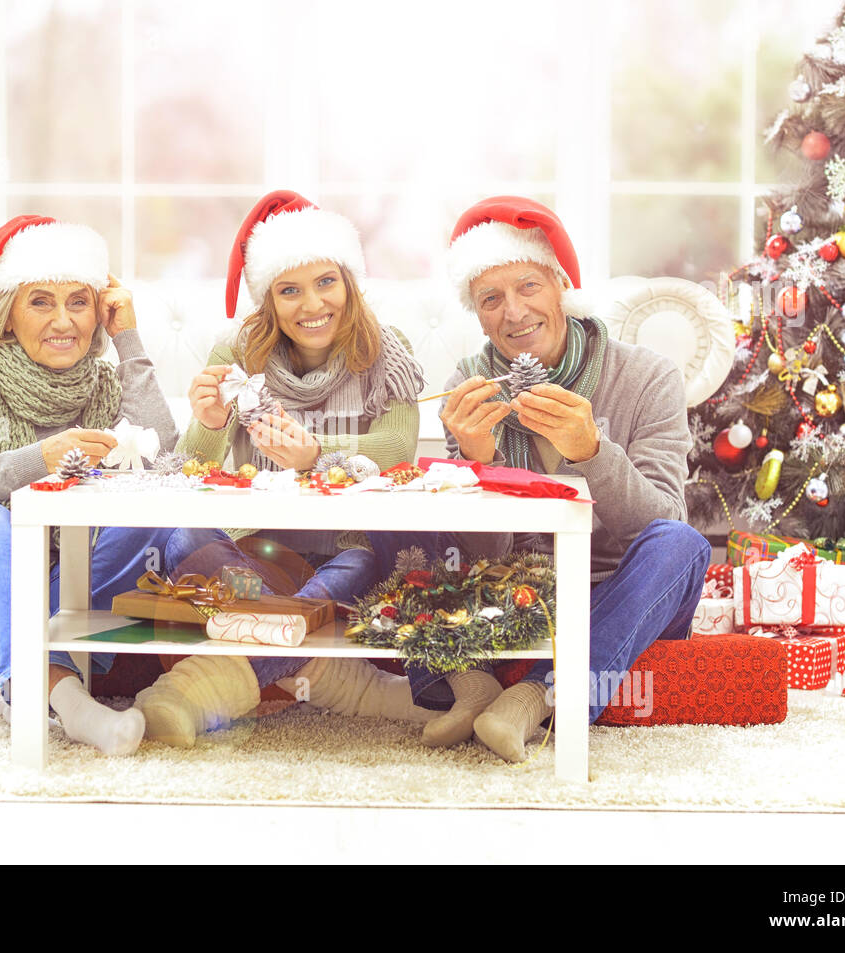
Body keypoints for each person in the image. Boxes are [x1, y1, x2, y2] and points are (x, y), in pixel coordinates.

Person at [411, 196, 708, 760]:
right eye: (490, 299)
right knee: (404, 517)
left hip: (619, 587)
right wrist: (480, 467)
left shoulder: (648, 378)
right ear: (477, 314)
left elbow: (659, 524)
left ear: (560, 286)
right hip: (519, 590)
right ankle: (467, 688)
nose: (513, 313)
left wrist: (592, 452)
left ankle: (534, 695)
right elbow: (485, 555)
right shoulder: (468, 386)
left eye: (528, 287)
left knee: (682, 545)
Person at [134, 190, 434, 747]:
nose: (311, 303)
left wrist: (315, 456)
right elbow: (196, 468)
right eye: (289, 290)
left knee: (365, 561)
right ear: (268, 299)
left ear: (348, 281)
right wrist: (207, 418)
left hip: (348, 547)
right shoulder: (237, 352)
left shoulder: (387, 351)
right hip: (257, 555)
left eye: (326, 282)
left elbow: (397, 453)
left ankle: (194, 694)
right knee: (182, 538)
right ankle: (338, 677)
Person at [0, 215, 179, 756]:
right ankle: (57, 698)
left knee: (150, 508)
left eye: (79, 301)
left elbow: (164, 456)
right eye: (41, 301)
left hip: (54, 584)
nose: (63, 321)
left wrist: (128, 338)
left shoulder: (104, 385)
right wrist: (36, 460)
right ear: (7, 314)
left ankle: (45, 682)